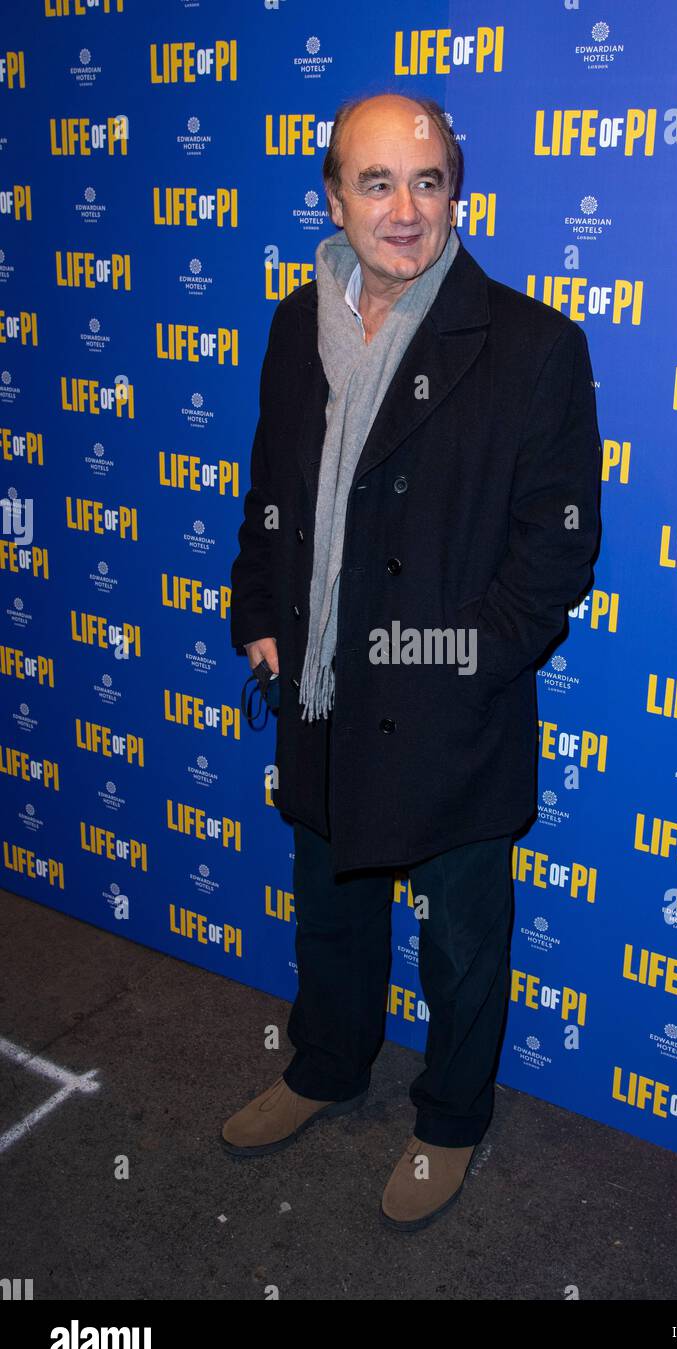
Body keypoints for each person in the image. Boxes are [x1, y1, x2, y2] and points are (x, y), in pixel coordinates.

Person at [222, 91, 603, 1231]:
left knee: (461, 937)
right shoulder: (299, 326)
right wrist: (258, 610)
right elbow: (272, 497)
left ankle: (449, 1118)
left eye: (426, 181)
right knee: (330, 910)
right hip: (323, 690)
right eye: (375, 182)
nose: (403, 209)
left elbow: (556, 556)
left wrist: (441, 662)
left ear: (456, 193)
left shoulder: (532, 345)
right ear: (333, 196)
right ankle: (327, 1064)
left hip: (445, 709)